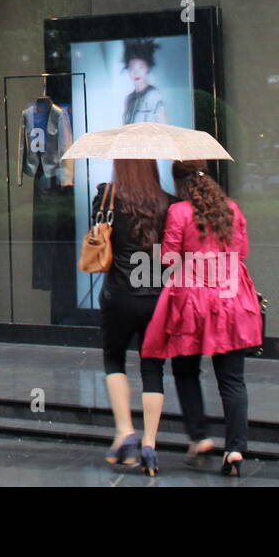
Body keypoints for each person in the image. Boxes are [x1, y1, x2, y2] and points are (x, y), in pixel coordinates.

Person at [141, 159, 262, 476]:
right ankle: (235, 449)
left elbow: (168, 258)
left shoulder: (179, 212)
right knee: (233, 380)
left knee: (185, 370)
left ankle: (199, 436)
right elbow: (242, 251)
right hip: (232, 297)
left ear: (179, 182)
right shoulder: (231, 208)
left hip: (192, 300)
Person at [96, 158, 175, 476]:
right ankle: (150, 445)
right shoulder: (169, 203)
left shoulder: (107, 195)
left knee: (114, 359)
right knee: (152, 367)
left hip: (119, 295)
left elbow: (99, 235)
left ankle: (125, 430)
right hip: (156, 297)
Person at [122, 39, 167, 124]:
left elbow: (163, 126)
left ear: (147, 68)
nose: (136, 72)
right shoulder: (128, 99)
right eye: (132, 68)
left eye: (141, 67)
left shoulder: (154, 95)